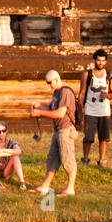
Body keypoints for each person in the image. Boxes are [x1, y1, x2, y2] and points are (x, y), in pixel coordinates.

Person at [30, 69, 77, 197]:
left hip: (66, 130)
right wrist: (39, 106)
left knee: (68, 158)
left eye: (50, 82)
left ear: (56, 79)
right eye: (47, 83)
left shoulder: (65, 92)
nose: (49, 86)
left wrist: (40, 113)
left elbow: (60, 113)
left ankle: (70, 188)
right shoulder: (56, 93)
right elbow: (51, 108)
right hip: (57, 131)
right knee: (52, 159)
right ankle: (45, 186)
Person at [79, 48, 111, 168]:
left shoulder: (109, 75)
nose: (100, 63)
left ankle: (102, 160)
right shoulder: (87, 74)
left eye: (103, 61)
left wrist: (108, 95)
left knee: (104, 137)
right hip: (90, 109)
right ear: (94, 60)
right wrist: (79, 110)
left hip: (104, 110)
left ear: (106, 62)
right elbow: (82, 92)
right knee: (88, 137)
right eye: (99, 60)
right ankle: (85, 159)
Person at [0, 122, 26, 190]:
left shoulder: (11, 142)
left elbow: (19, 151)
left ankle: (22, 182)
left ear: (7, 131)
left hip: (6, 171)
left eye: (3, 131)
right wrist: (11, 152)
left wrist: (2, 151)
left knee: (15, 157)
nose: (1, 133)